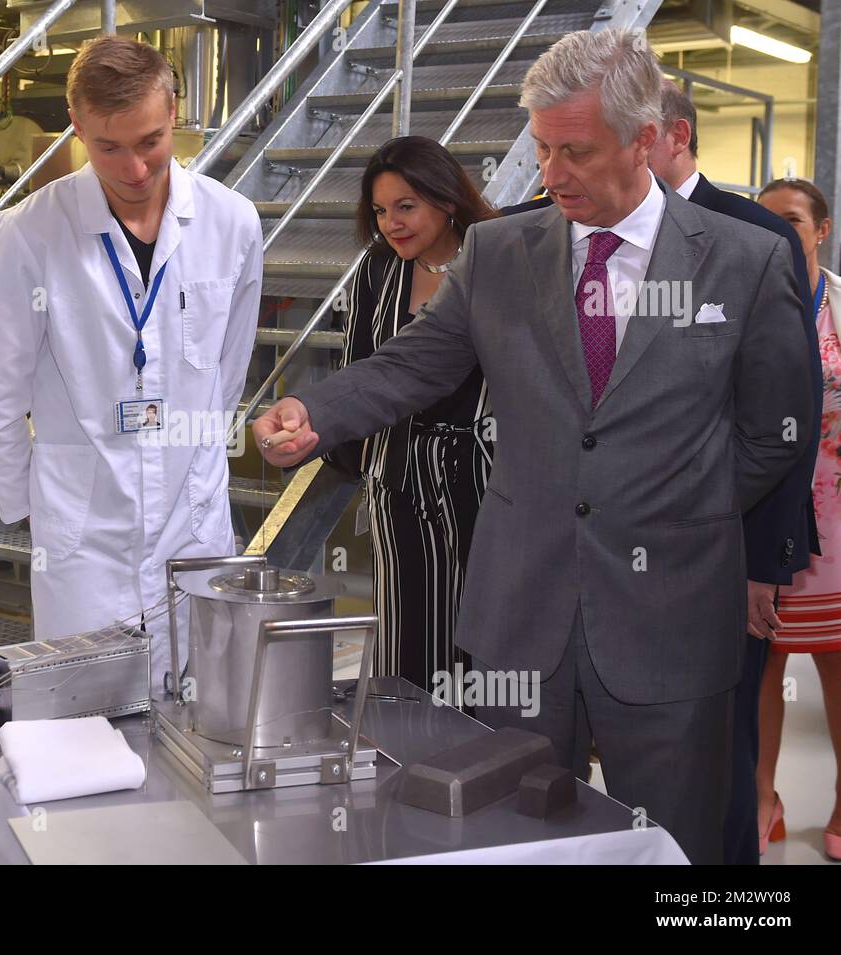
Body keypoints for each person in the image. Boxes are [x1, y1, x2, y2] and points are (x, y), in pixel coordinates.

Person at [253, 28, 814, 864]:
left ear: (649, 140)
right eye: (543, 149)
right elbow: (413, 365)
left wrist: (675, 504)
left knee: (675, 843)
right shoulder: (500, 252)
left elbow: (775, 430)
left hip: (671, 622)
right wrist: (314, 410)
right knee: (515, 837)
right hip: (522, 619)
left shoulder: (744, 261)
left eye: (575, 152)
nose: (551, 175)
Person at [0, 36, 263, 691]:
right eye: (109, 147)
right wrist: (34, 505)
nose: (133, 168)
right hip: (84, 537)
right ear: (77, 129)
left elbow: (227, 372)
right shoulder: (27, 235)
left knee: (202, 718)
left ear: (175, 112)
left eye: (150, 141)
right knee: (89, 732)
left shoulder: (232, 224)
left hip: (195, 526)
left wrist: (200, 451)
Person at [645, 82, 822, 865]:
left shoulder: (754, 236)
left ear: (673, 135)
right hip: (610, 549)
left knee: (717, 749)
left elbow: (787, 415)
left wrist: (762, 560)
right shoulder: (566, 237)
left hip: (725, 544)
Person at [323, 136, 496, 690]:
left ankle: (480, 757)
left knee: (480, 628)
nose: (391, 223)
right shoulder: (377, 269)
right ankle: (409, 754)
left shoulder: (493, 258)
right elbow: (358, 364)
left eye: (406, 206)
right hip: (396, 473)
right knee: (404, 626)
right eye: (380, 210)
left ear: (446, 200)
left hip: (483, 476)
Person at [755, 177, 841, 861]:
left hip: (840, 517)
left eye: (791, 219)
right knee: (764, 660)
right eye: (766, 222)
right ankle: (762, 794)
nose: (779, 233)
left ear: (822, 229)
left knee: (839, 664)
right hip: (767, 510)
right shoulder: (745, 302)